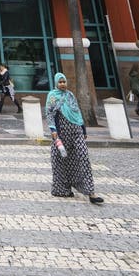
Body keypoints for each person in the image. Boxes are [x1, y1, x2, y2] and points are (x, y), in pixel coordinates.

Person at [45, 72, 104, 205]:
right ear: (56, 83)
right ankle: (62, 189)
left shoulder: (70, 95)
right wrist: (53, 130)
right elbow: (49, 113)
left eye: (64, 81)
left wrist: (83, 129)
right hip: (61, 134)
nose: (62, 84)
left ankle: (90, 192)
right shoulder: (52, 96)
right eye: (60, 82)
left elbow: (77, 112)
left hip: (76, 131)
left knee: (83, 157)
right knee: (60, 160)